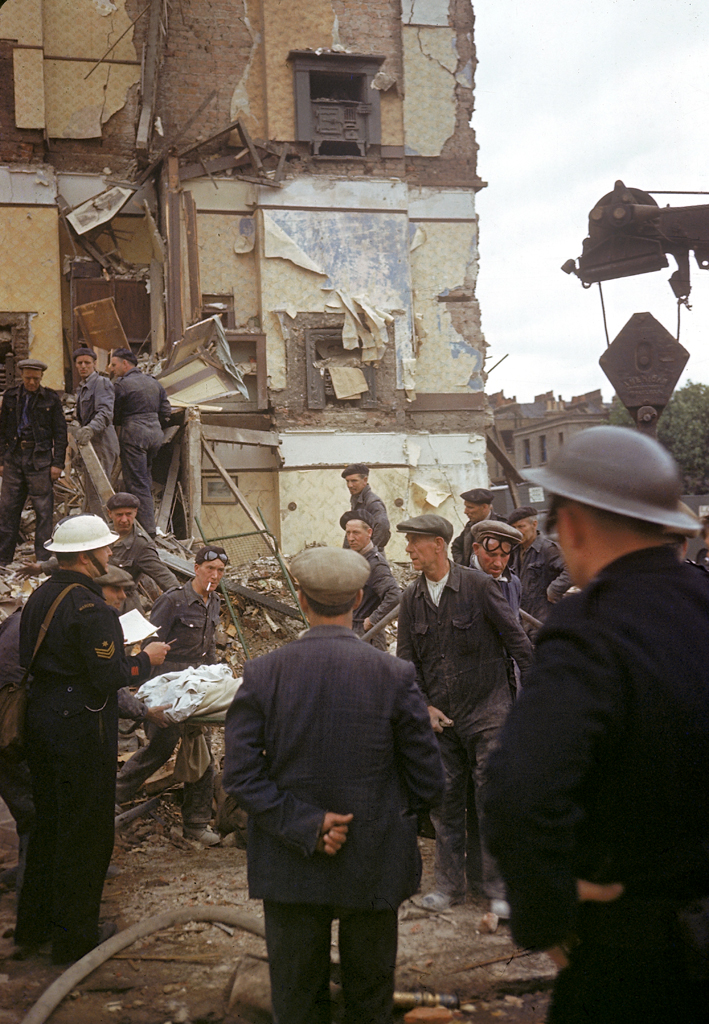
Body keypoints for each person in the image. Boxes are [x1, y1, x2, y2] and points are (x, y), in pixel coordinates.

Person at [484, 426, 709, 1024]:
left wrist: (548, 913)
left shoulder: (592, 625)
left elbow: (520, 790)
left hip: (636, 956)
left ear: (575, 525)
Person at [222, 546, 445, 1024]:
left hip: (290, 862)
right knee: (369, 997)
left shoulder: (264, 673)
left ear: (300, 598)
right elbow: (429, 779)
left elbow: (240, 775)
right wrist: (385, 817)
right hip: (373, 860)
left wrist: (306, 823)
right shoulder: (393, 674)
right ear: (360, 599)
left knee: (297, 998)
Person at [14, 514, 169, 964]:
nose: (109, 555)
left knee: (48, 826)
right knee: (85, 834)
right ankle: (74, 938)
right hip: (80, 729)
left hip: (41, 722)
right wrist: (145, 659)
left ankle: (34, 927)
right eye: (103, 549)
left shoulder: (40, 596)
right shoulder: (92, 608)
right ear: (84, 557)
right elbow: (109, 678)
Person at [395, 514, 533, 917]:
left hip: (489, 711)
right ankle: (449, 888)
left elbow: (518, 643)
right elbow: (407, 663)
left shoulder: (479, 587)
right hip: (443, 720)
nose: (408, 549)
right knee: (446, 802)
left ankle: (497, 889)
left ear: (438, 545)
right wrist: (424, 706)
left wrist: (536, 702)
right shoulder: (410, 598)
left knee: (491, 799)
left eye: (415, 542)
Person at [114, 546, 228, 846]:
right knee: (159, 749)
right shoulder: (173, 600)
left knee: (202, 753)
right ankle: (112, 797)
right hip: (168, 686)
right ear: (196, 568)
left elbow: (209, 648)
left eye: (220, 571)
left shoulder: (214, 600)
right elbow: (150, 646)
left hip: (197, 688)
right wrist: (145, 691)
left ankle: (196, 824)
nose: (214, 576)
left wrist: (216, 675)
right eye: (209, 569)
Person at [0, 359, 67, 566]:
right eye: (28, 378)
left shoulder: (51, 399)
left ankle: (43, 561)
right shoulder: (10, 397)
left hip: (40, 461)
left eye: (35, 379)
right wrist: (2, 460)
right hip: (13, 459)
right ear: (21, 375)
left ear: (41, 378)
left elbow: (61, 433)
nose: (31, 382)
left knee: (44, 513)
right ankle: (3, 560)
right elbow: (2, 431)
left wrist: (57, 464)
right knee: (7, 510)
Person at [110, 347, 172, 537]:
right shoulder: (154, 382)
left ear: (125, 364)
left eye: (114, 364)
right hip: (154, 435)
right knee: (144, 479)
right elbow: (166, 412)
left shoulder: (121, 385)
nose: (111, 368)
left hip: (134, 434)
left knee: (137, 484)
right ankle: (144, 526)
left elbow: (114, 414)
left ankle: (148, 532)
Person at [339, 509, 400, 650]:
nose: (351, 538)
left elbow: (394, 595)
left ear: (369, 533)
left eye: (356, 533)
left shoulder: (376, 564)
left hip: (368, 638)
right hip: (351, 632)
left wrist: (373, 619)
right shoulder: (355, 559)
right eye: (348, 533)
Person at [507, 505, 572, 631]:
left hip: (542, 618)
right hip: (522, 618)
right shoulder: (514, 551)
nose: (517, 531)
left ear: (534, 524)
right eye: (514, 528)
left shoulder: (547, 549)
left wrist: (554, 589)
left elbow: (571, 570)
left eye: (521, 526)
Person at [470, 519, 524, 618]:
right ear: (476, 549)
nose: (498, 564)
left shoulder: (514, 583)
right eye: (492, 554)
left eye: (503, 555)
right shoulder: (460, 586)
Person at [341, 463, 390, 551]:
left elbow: (383, 528)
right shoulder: (356, 498)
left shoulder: (373, 502)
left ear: (365, 480)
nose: (349, 485)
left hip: (370, 559)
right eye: (347, 481)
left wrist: (369, 551)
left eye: (354, 481)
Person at [451, 488, 507, 567]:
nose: (465, 511)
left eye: (470, 507)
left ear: (484, 507)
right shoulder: (470, 526)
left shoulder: (502, 527)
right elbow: (456, 547)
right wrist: (463, 566)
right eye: (466, 507)